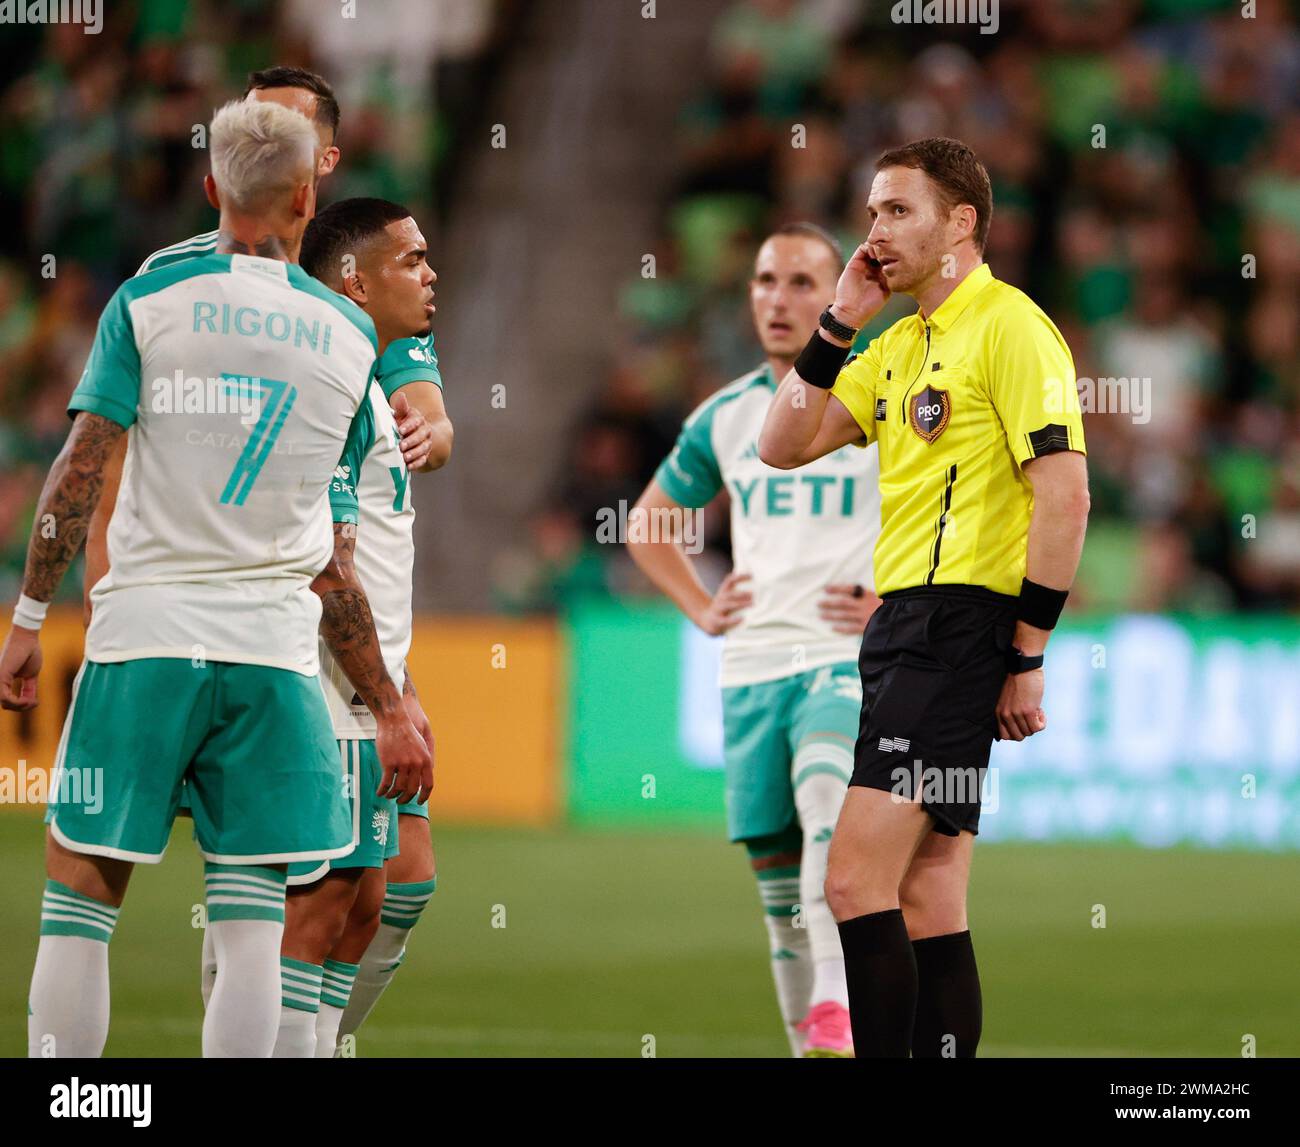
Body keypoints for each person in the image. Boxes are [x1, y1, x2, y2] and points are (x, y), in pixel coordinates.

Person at [0, 100, 431, 1058]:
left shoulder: (147, 302)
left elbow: (80, 468)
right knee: (249, 928)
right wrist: (386, 696)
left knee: (79, 894)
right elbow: (337, 558)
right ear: (307, 196)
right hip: (275, 662)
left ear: (210, 190)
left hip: (146, 639)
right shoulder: (350, 338)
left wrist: (29, 616)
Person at [759, 138, 1090, 1057]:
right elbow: (780, 444)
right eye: (869, 212)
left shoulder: (1011, 327)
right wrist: (837, 319)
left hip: (959, 624)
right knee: (927, 892)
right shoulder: (898, 344)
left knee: (853, 879)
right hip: (906, 627)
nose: (874, 232)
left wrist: (1026, 652)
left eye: (897, 211)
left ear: (961, 223)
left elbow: (1065, 493)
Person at [627, 223, 881, 1057]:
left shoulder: (879, 393)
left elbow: (958, 510)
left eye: (804, 282)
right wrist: (701, 608)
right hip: (751, 664)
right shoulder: (728, 415)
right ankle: (811, 1045)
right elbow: (650, 524)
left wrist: (897, 602)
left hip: (842, 656)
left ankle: (837, 1011)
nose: (779, 299)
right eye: (767, 280)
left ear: (838, 296)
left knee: (825, 816)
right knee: (777, 893)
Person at [269, 197, 445, 1057]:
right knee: (317, 904)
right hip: (321, 681)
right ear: (354, 279)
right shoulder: (333, 384)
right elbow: (323, 560)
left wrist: (397, 685)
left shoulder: (368, 381)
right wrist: (384, 703)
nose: (430, 273)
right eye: (411, 260)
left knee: (365, 902)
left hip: (361, 682)